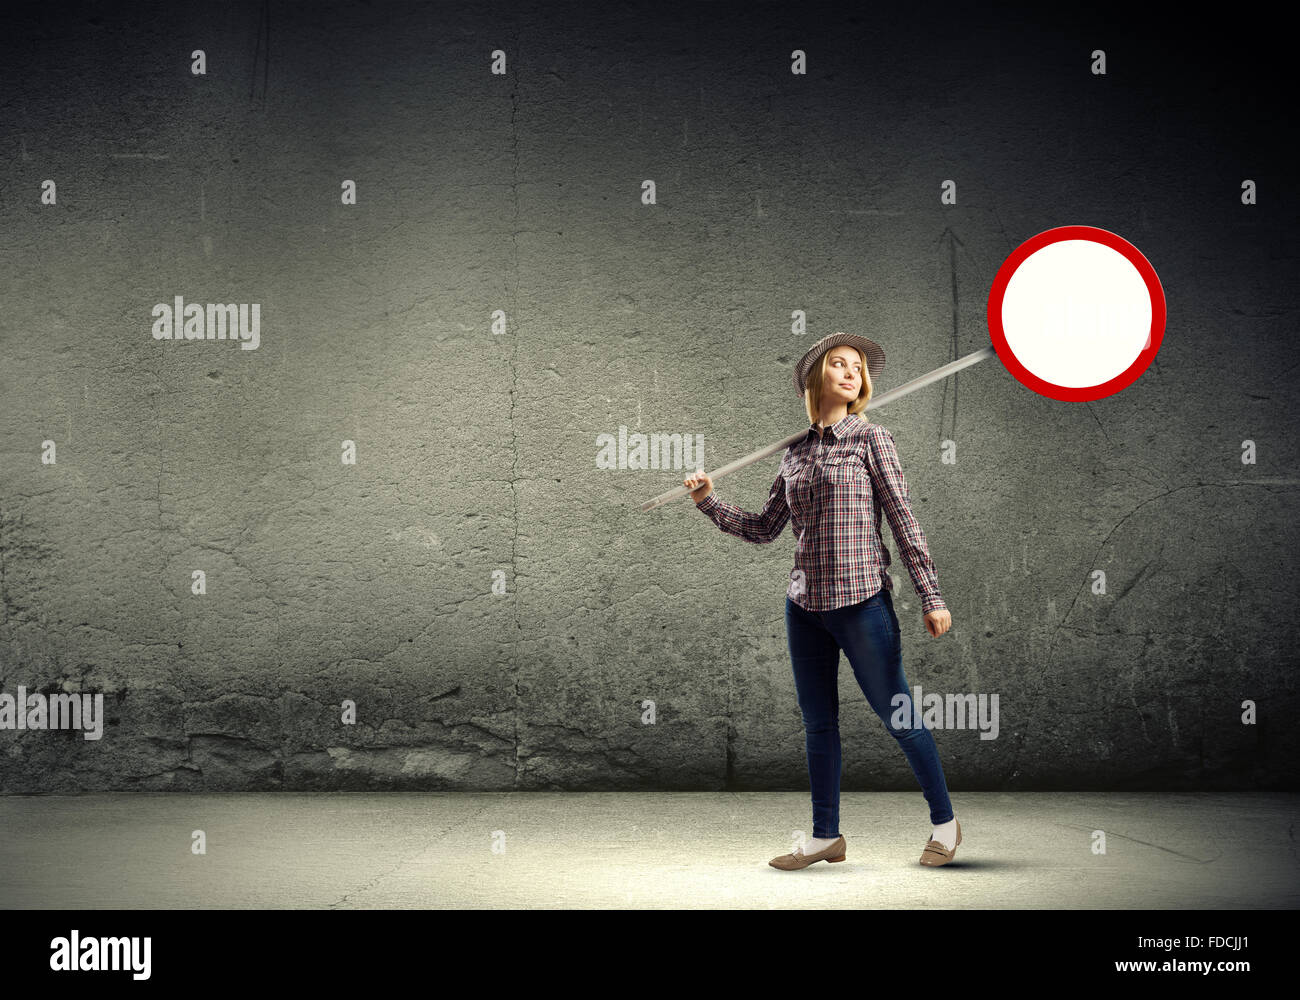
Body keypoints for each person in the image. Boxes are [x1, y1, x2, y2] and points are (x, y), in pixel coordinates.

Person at [684, 332, 962, 870]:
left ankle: (946, 825)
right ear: (815, 379)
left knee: (899, 715)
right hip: (804, 606)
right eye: (838, 364)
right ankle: (824, 836)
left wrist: (932, 595)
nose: (851, 372)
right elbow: (765, 529)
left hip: (862, 602)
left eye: (857, 366)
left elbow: (904, 522)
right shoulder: (794, 453)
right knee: (819, 722)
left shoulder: (871, 440)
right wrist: (707, 501)